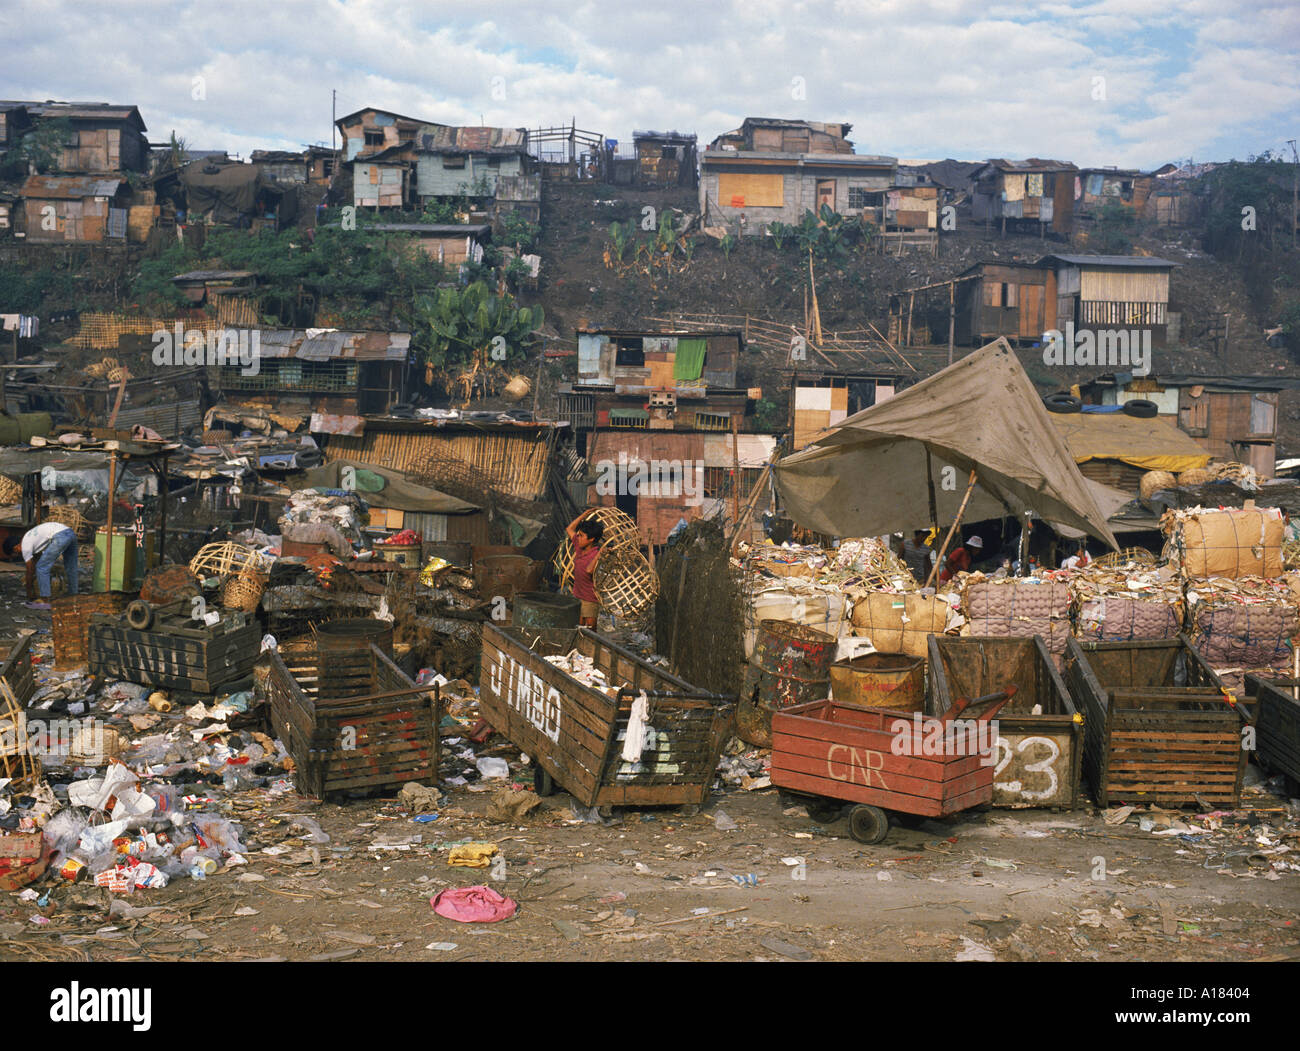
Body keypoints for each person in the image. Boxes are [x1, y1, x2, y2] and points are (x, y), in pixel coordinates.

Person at [22, 520, 79, 610]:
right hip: (70, 532)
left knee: (41, 567)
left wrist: (29, 592)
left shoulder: (25, 546)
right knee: (71, 567)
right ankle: (74, 597)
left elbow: (29, 570)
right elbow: (40, 556)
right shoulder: (31, 537)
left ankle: (45, 601)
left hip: (60, 535)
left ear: (15, 547)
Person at [566, 510, 605, 627]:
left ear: (591, 539)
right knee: (578, 629)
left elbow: (589, 570)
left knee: (590, 632)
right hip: (577, 596)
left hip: (590, 599)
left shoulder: (596, 555)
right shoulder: (579, 547)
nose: (578, 538)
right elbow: (569, 529)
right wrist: (585, 514)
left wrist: (600, 554)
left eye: (581, 536)